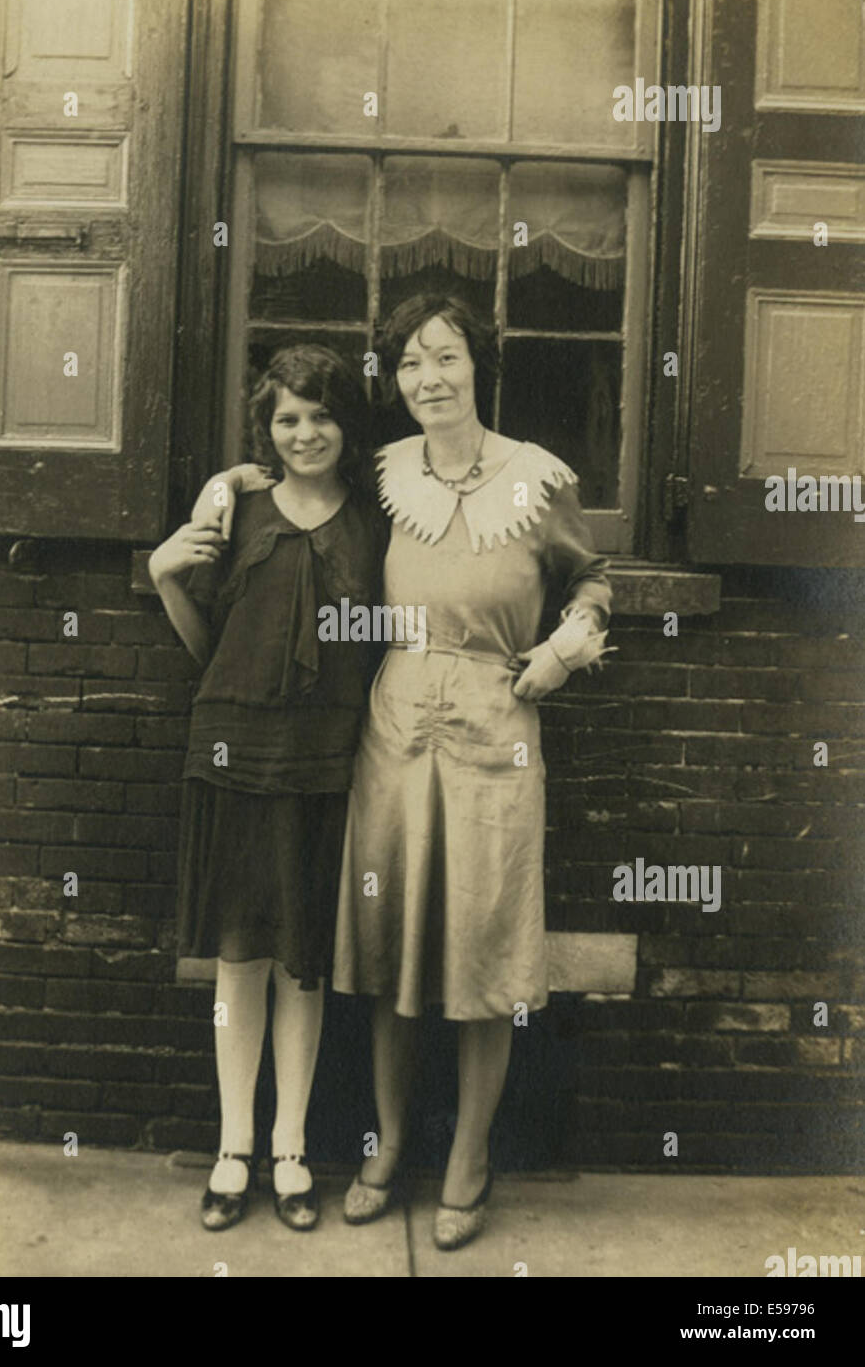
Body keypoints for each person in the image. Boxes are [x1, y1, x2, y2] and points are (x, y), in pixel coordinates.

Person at [332, 294, 614, 1251]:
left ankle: (469, 1160)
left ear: (477, 366)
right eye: (410, 365)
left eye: (445, 358)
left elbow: (591, 582)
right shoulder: (383, 475)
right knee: (391, 943)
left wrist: (565, 652)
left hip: (500, 725)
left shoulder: (537, 480)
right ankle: (389, 1143)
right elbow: (304, 500)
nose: (429, 380)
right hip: (397, 724)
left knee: (483, 947)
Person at [149, 344, 383, 1233]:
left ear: (345, 424)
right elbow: (204, 637)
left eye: (322, 415)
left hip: (327, 757)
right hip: (234, 748)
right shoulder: (234, 504)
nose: (305, 432)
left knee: (303, 958)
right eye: (288, 417)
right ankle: (232, 1148)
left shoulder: (373, 518)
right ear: (267, 426)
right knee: (239, 957)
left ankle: (291, 1151)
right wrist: (164, 575)